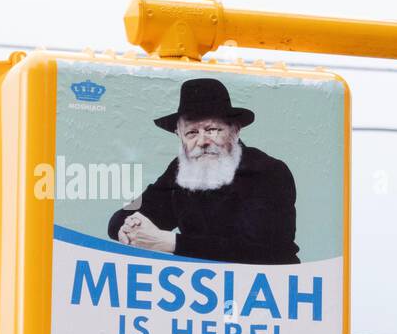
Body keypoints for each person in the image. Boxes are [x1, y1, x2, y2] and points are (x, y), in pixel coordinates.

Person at [108, 77, 300, 264]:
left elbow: (262, 251)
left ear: (235, 130)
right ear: (179, 136)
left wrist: (170, 243)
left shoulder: (269, 172)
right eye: (191, 133)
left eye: (212, 130)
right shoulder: (181, 169)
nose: (202, 141)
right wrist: (129, 227)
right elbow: (124, 217)